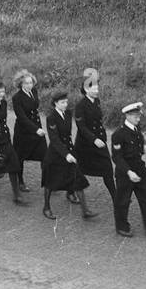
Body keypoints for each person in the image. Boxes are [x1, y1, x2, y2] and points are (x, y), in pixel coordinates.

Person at [110, 101, 146, 238]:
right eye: (135, 116)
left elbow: (137, 146)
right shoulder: (118, 134)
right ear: (127, 116)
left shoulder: (136, 129)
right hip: (125, 172)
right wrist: (129, 172)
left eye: (139, 116)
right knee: (123, 200)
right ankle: (122, 227)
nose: (138, 119)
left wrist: (143, 149)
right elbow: (117, 157)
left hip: (139, 168)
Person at [43, 89, 94, 220]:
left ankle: (85, 210)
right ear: (55, 103)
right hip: (55, 154)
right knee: (50, 182)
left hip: (68, 151)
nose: (66, 104)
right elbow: (54, 139)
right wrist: (66, 154)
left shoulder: (68, 114)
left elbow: (68, 135)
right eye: (62, 102)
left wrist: (71, 152)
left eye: (66, 102)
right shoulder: (51, 118)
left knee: (78, 178)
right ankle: (47, 207)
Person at [73, 68, 115, 201]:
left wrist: (101, 137)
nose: (97, 90)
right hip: (86, 145)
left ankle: (115, 196)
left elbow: (98, 121)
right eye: (94, 88)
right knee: (78, 170)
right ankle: (71, 191)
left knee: (107, 167)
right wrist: (94, 139)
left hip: (99, 141)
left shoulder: (96, 101)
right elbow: (82, 127)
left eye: (97, 87)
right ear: (86, 90)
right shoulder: (80, 106)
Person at [11, 70, 46, 192]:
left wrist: (37, 128)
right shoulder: (17, 98)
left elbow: (34, 108)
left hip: (37, 127)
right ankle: (20, 182)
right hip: (24, 131)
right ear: (21, 84)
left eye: (30, 83)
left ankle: (47, 181)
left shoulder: (34, 91)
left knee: (44, 155)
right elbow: (22, 117)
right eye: (26, 83)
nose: (29, 85)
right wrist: (36, 129)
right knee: (20, 157)